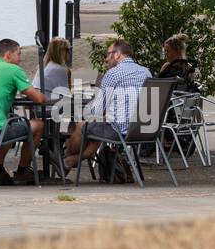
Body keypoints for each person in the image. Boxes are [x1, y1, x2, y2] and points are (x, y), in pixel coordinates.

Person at [63, 38, 152, 174]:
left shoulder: (113, 73)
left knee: (82, 125)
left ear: (117, 54)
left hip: (120, 131)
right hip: (146, 129)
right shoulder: (146, 72)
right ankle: (70, 161)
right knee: (96, 132)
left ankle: (65, 158)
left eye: (108, 54)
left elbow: (97, 110)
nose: (106, 59)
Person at [0, 39, 48, 186]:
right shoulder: (13, 70)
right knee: (38, 125)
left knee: (10, 121)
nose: (20, 59)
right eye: (18, 54)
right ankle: (22, 171)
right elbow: (39, 99)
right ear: (8, 55)